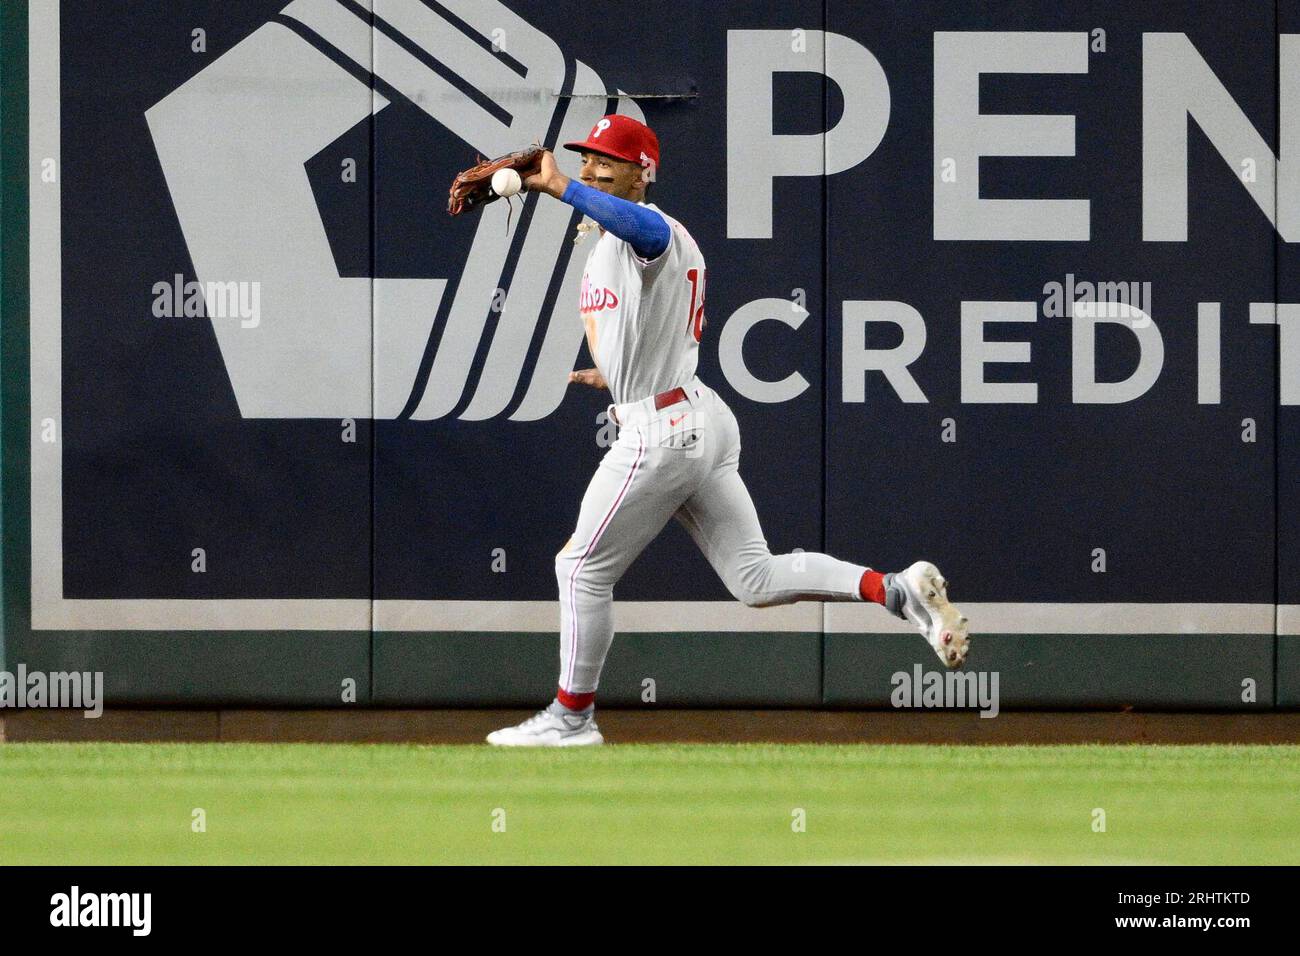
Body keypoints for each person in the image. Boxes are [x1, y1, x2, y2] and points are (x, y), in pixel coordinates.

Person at [486, 115, 969, 747]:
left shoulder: (650, 229)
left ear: (643, 173)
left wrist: (557, 189)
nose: (593, 166)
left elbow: (644, 227)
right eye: (587, 158)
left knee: (580, 568)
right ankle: (894, 589)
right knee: (756, 579)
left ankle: (572, 718)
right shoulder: (611, 242)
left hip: (662, 431)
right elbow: (651, 323)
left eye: (610, 159)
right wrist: (619, 374)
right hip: (692, 413)